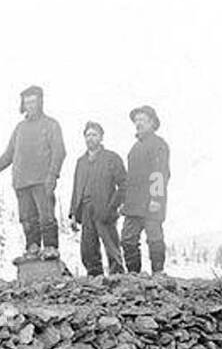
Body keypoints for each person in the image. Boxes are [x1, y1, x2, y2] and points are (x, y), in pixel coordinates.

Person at [0, 85, 66, 260]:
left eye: (34, 101)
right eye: (27, 102)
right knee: (27, 218)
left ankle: (50, 247)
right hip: (21, 182)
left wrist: (52, 176)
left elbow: (59, 152)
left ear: (40, 102)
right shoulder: (20, 128)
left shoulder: (51, 125)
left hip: (42, 181)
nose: (30, 105)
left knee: (46, 217)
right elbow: (8, 155)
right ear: (23, 105)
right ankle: (32, 248)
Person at [68, 121, 126, 277]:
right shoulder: (81, 162)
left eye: (94, 135)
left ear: (101, 137)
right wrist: (73, 213)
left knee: (111, 244)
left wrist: (113, 207)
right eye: (87, 135)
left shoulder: (111, 158)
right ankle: (94, 277)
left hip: (105, 207)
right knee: (87, 247)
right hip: (86, 208)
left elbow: (123, 184)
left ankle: (117, 277)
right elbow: (76, 188)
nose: (90, 138)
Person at [121, 105, 171, 274]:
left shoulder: (158, 144)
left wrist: (156, 199)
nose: (138, 123)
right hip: (134, 204)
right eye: (136, 120)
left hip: (151, 202)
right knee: (127, 239)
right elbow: (130, 179)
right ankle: (134, 275)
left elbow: (160, 173)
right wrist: (124, 201)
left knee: (154, 238)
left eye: (142, 120)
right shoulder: (135, 148)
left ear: (152, 123)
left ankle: (158, 273)